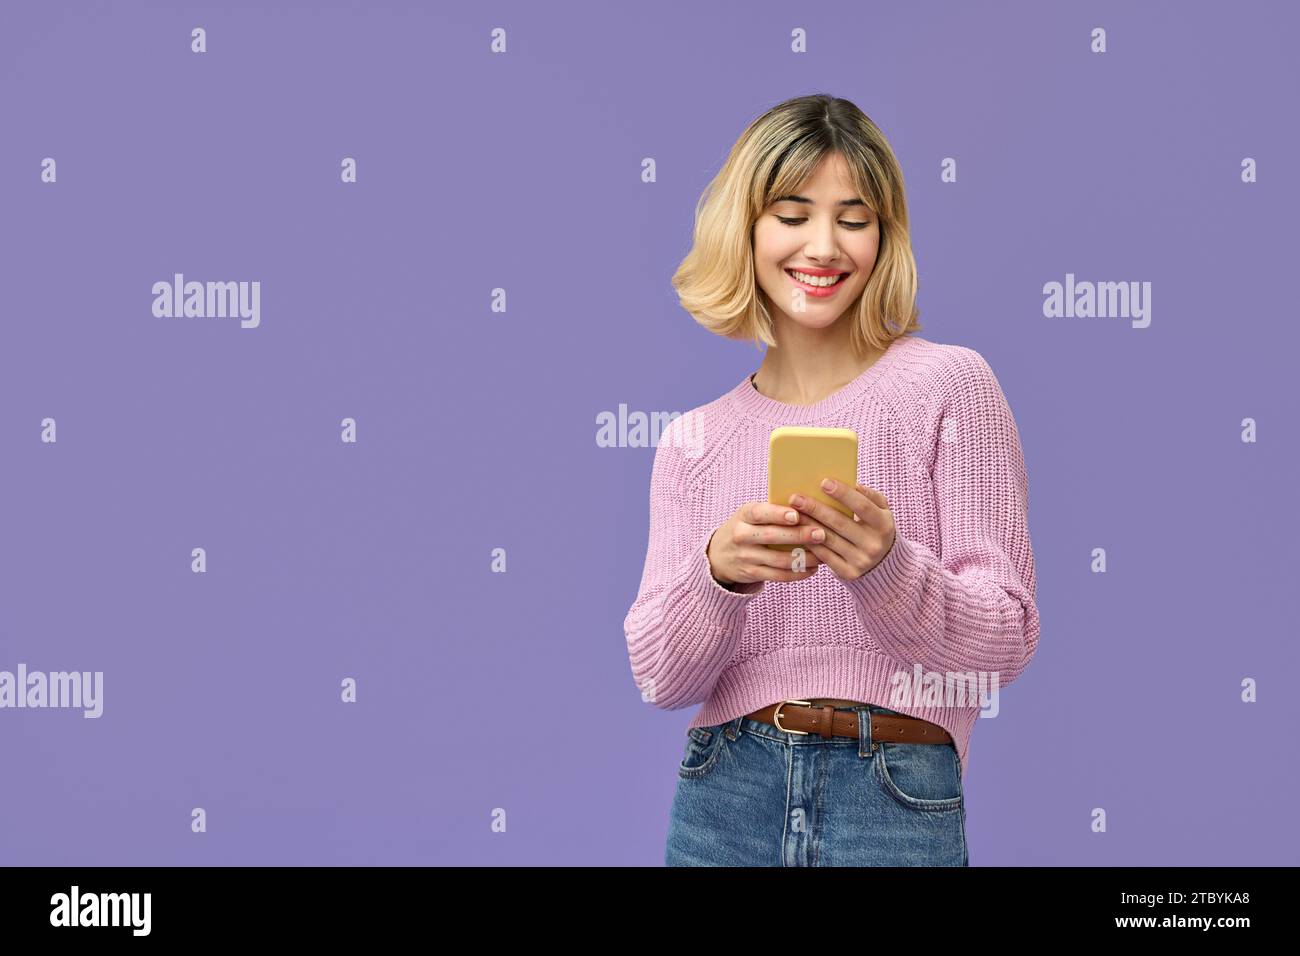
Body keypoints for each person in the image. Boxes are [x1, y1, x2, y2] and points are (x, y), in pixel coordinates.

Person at [622, 93, 1040, 866]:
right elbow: (660, 676)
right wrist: (718, 573)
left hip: (893, 783)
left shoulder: (950, 385)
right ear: (744, 229)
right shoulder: (691, 441)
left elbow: (1002, 646)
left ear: (885, 238)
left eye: (853, 218)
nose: (823, 246)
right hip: (725, 789)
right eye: (791, 213)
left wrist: (887, 568)